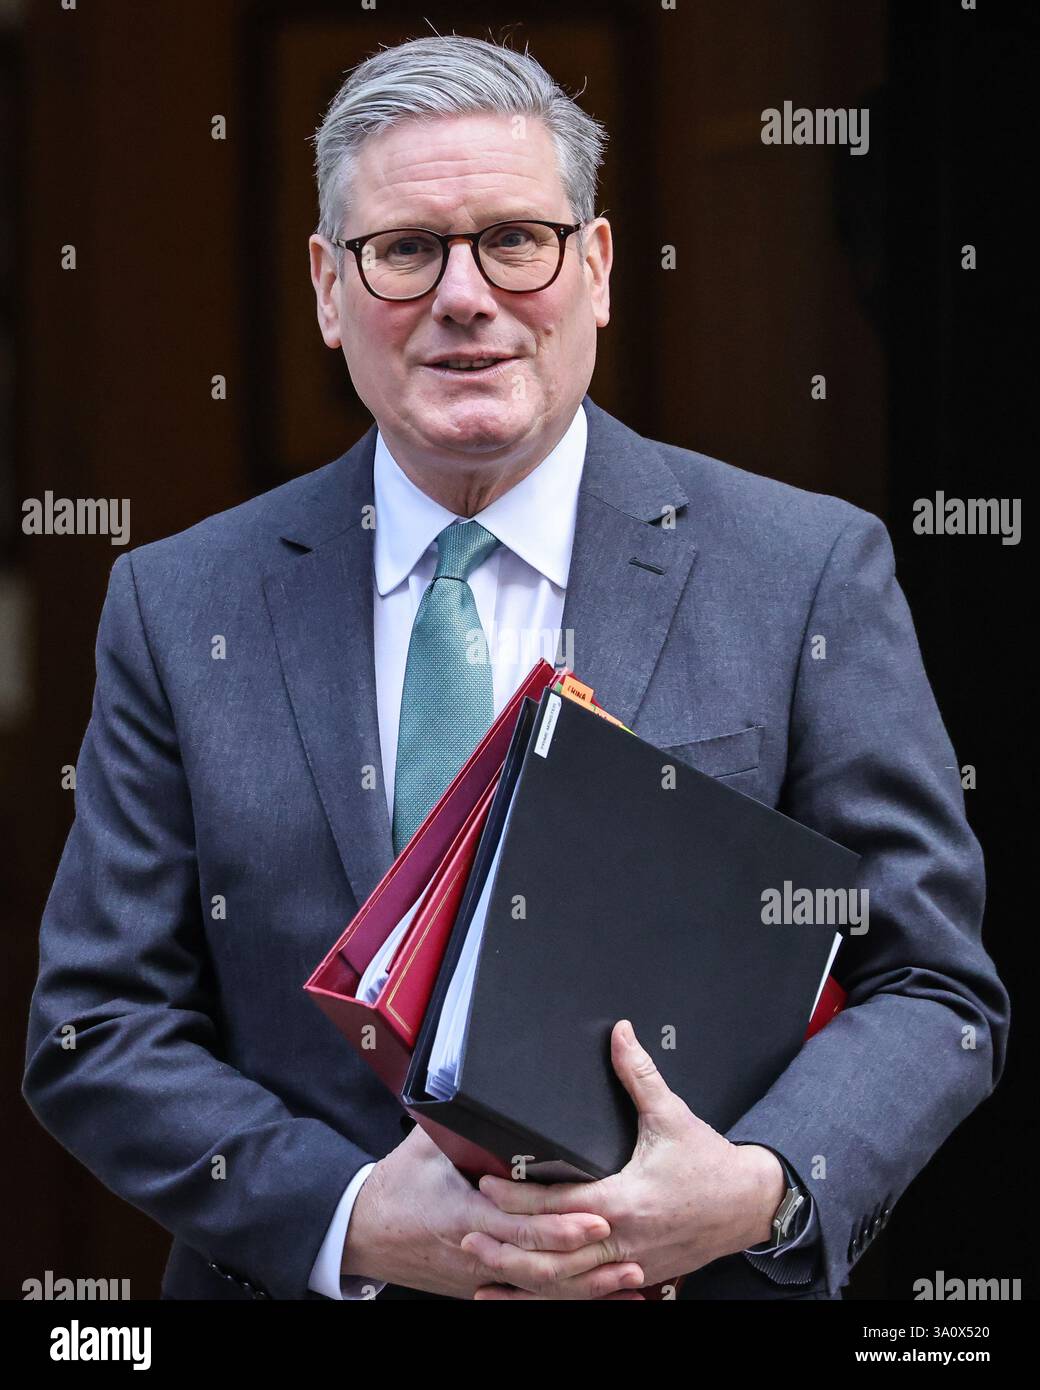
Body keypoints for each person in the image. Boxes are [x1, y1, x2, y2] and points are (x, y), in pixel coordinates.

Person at [23, 35, 1008, 1302]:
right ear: (329, 288)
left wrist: (757, 1184)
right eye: (406, 248)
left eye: (515, 240)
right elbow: (94, 1027)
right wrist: (351, 1216)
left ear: (596, 270)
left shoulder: (804, 571)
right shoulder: (180, 603)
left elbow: (931, 986)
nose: (465, 294)